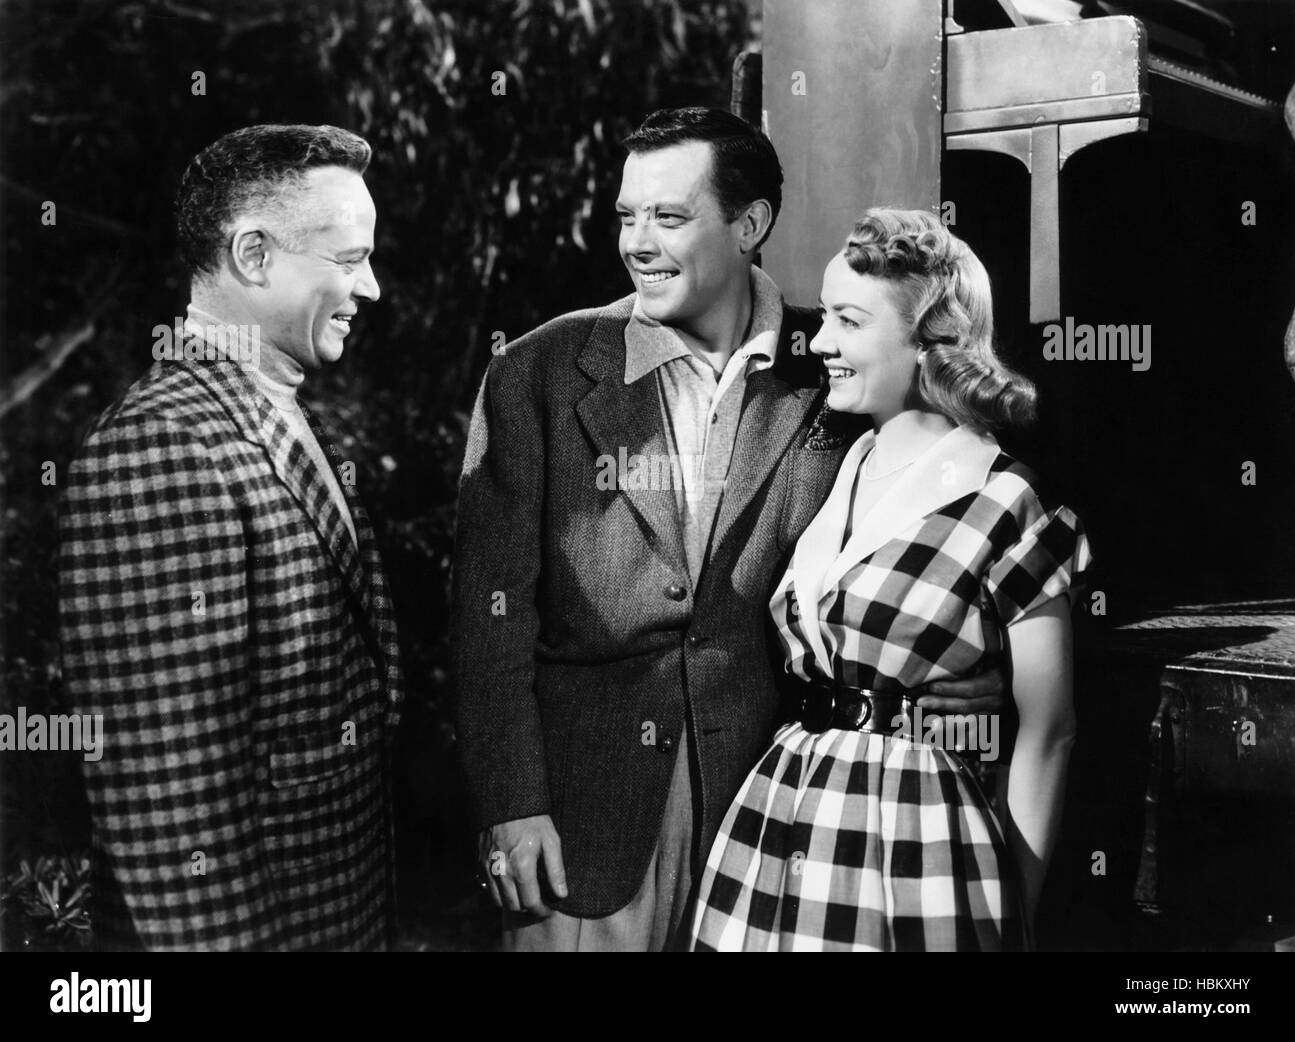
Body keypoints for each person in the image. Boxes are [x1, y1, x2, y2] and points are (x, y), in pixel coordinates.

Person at [453, 109, 1004, 952]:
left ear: (750, 225)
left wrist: (962, 672)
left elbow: (941, 520)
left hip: (781, 821)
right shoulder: (537, 371)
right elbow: (490, 617)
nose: (638, 242)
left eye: (669, 217)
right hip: (580, 825)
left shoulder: (840, 362)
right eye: (626, 216)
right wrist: (511, 803)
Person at [690, 208, 1091, 952]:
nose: (820, 341)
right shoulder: (836, 462)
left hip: (918, 833)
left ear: (928, 340)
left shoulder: (1004, 499)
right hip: (786, 814)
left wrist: (1015, 912)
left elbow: (1050, 728)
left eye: (849, 320)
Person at [57, 124, 403, 950]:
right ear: (253, 255)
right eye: (350, 259)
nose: (374, 288)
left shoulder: (261, 402)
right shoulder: (161, 446)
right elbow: (175, 815)